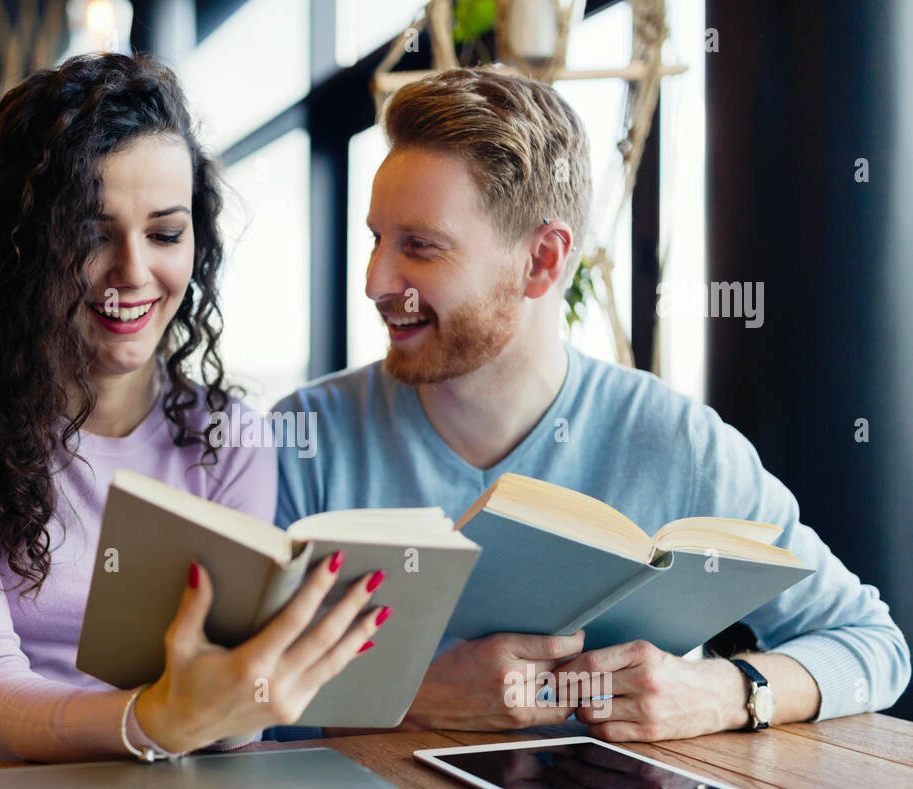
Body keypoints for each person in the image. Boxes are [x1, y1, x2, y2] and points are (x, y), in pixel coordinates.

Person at [272, 67, 910, 743]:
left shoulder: (675, 442)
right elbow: (219, 710)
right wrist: (410, 699)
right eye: (376, 238)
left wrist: (727, 691)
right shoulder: (301, 440)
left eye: (420, 247)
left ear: (542, 262)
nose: (375, 281)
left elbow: (876, 648)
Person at [0, 54, 391, 770]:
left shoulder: (228, 437)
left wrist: (253, 691)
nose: (135, 273)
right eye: (89, 232)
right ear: (17, 250)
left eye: (165, 234)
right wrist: (157, 720)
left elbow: (224, 720)